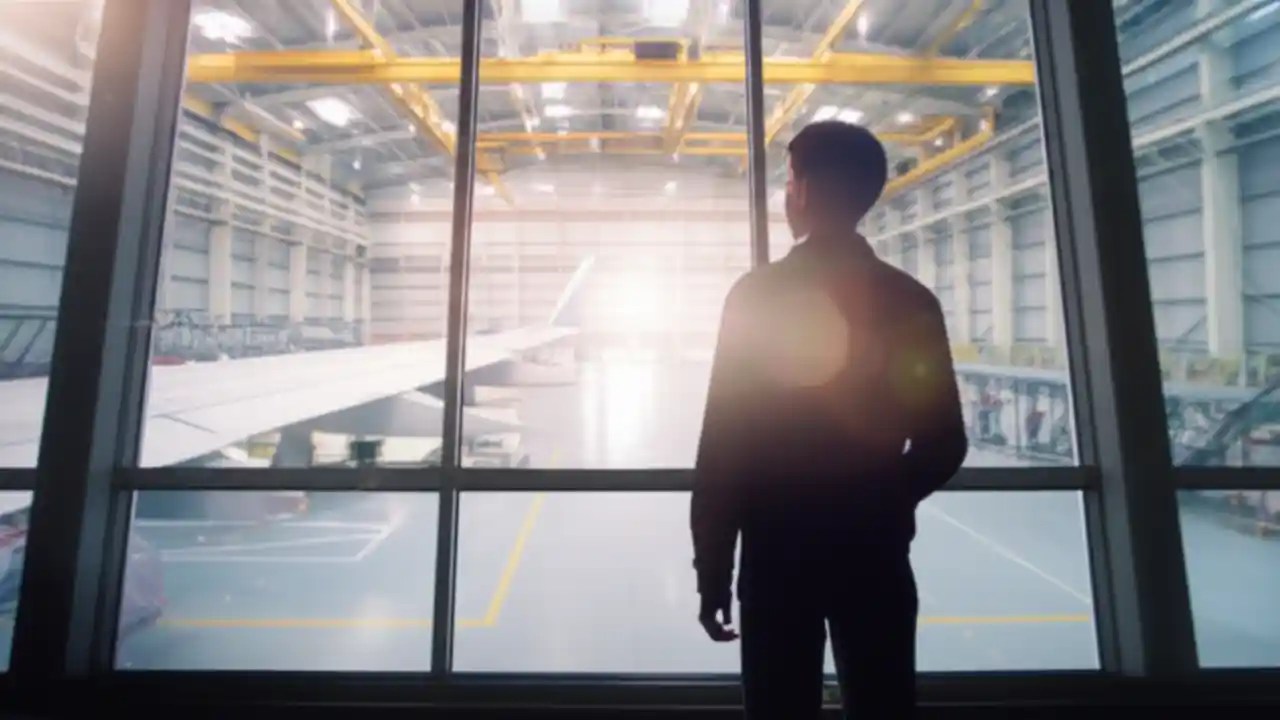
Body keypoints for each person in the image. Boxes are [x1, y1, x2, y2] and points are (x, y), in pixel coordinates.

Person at [690, 121, 968, 719]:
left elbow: (723, 447)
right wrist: (880, 496)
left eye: (789, 181)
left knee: (779, 706)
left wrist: (712, 567)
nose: (785, 195)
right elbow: (945, 443)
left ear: (806, 191)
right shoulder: (909, 301)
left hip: (776, 554)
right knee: (882, 702)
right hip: (874, 553)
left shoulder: (756, 298)